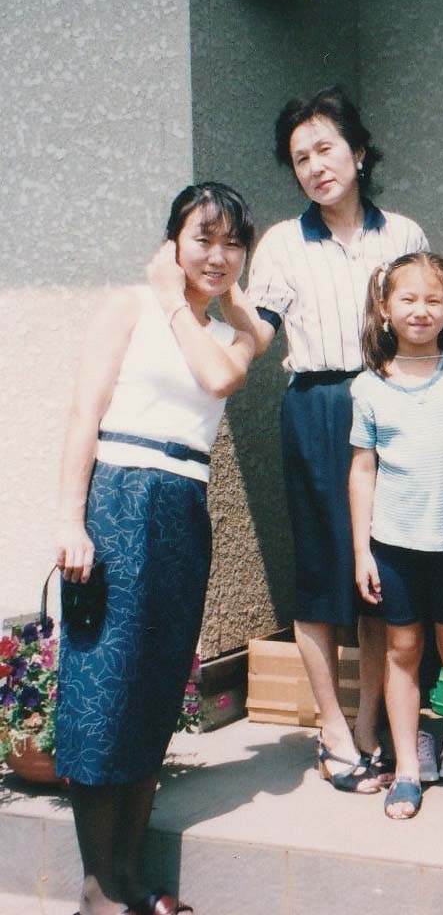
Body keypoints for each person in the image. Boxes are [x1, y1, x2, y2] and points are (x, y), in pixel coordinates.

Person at [55, 183, 256, 915]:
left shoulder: (231, 331)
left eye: (234, 242)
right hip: (118, 496)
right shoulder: (127, 308)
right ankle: (98, 889)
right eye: (202, 236)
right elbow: (85, 412)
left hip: (182, 507)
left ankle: (130, 880)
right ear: (171, 240)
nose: (218, 254)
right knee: (102, 688)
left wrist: (183, 296)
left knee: (153, 687)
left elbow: (223, 373)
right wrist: (70, 519)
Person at [222, 86, 428, 792]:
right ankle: (333, 731)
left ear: (359, 152)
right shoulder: (282, 241)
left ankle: (371, 725)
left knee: (382, 574)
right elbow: (258, 330)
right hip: (315, 408)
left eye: (326, 149)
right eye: (299, 157)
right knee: (321, 572)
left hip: (390, 404)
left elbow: (425, 326)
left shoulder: (402, 235)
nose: (314, 166)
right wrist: (218, 330)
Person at [349, 252, 443, 819]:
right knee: (403, 651)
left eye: (433, 300)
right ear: (385, 310)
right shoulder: (368, 387)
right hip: (393, 543)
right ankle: (408, 767)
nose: (420, 310)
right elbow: (363, 469)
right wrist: (362, 549)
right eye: (407, 299)